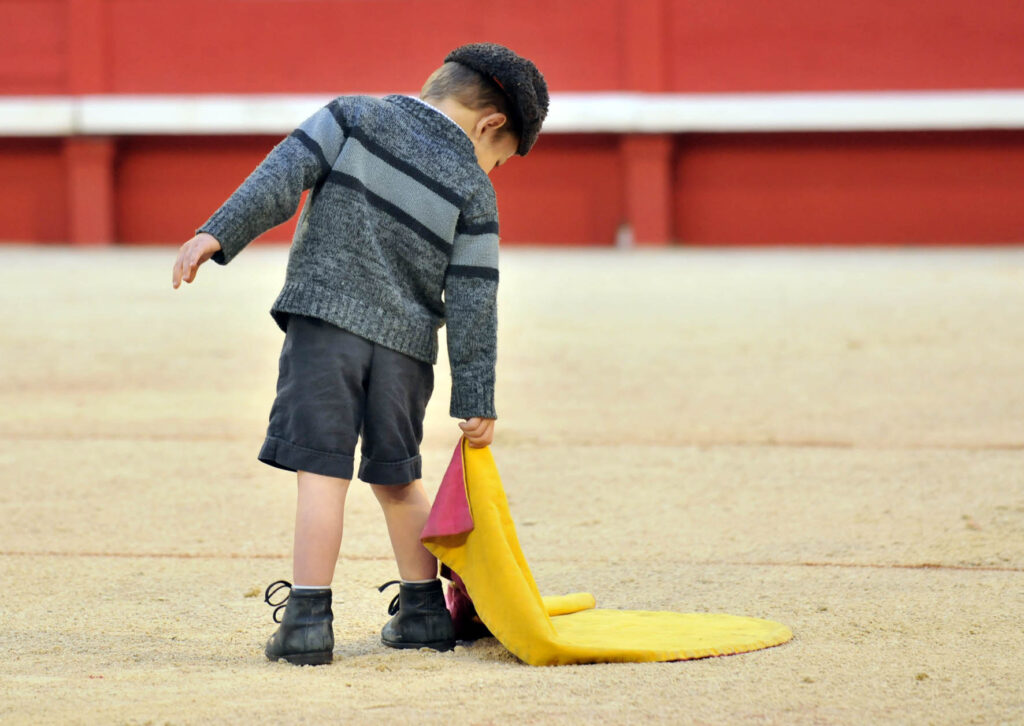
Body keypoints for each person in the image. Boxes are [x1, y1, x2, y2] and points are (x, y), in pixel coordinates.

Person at [170, 43, 548, 666]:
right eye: (501, 159)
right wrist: (476, 395)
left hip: (326, 328)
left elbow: (280, 179)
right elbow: (475, 299)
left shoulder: (352, 116)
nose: (493, 169)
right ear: (490, 125)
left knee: (323, 475)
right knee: (399, 479)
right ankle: (424, 613)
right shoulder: (475, 191)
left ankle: (307, 623)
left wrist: (218, 231)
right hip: (407, 354)